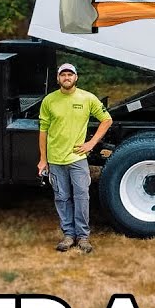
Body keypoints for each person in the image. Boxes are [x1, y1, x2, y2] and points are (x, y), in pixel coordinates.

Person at [38, 63, 112, 253]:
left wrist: (91, 143)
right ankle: (68, 236)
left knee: (81, 197)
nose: (67, 77)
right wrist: (43, 159)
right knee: (62, 198)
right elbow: (43, 130)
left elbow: (107, 120)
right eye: (63, 74)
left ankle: (83, 237)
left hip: (77, 158)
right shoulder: (49, 100)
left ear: (76, 78)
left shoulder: (87, 98)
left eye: (70, 74)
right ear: (58, 78)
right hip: (55, 159)